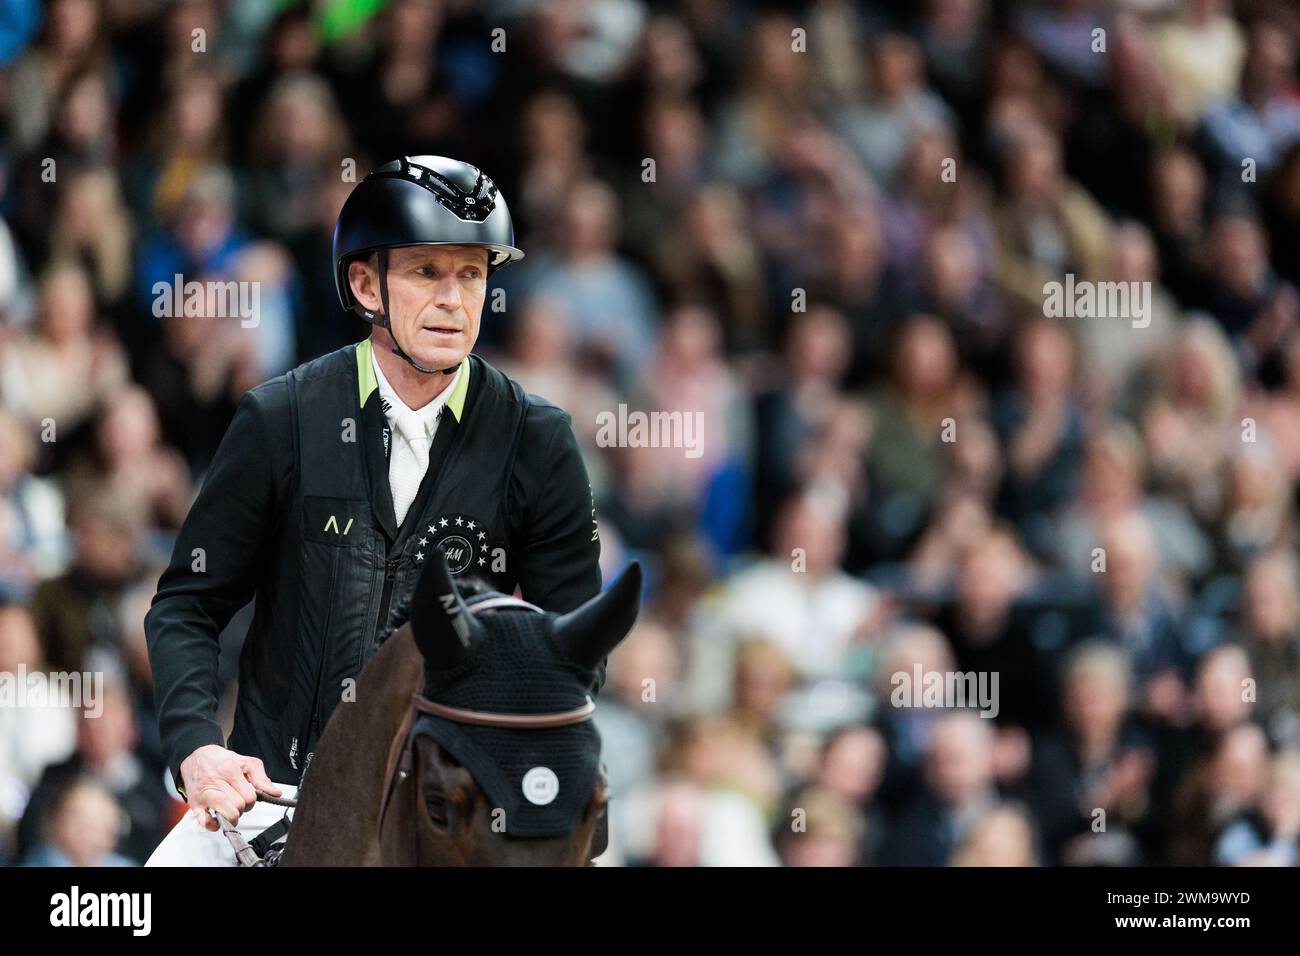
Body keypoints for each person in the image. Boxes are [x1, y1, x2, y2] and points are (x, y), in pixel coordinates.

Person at [145, 156, 602, 865]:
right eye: (427, 272)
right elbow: (187, 604)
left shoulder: (537, 441)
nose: (455, 300)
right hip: (269, 804)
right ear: (366, 284)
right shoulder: (283, 418)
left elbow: (576, 648)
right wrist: (198, 749)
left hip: (450, 818)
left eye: (473, 274)